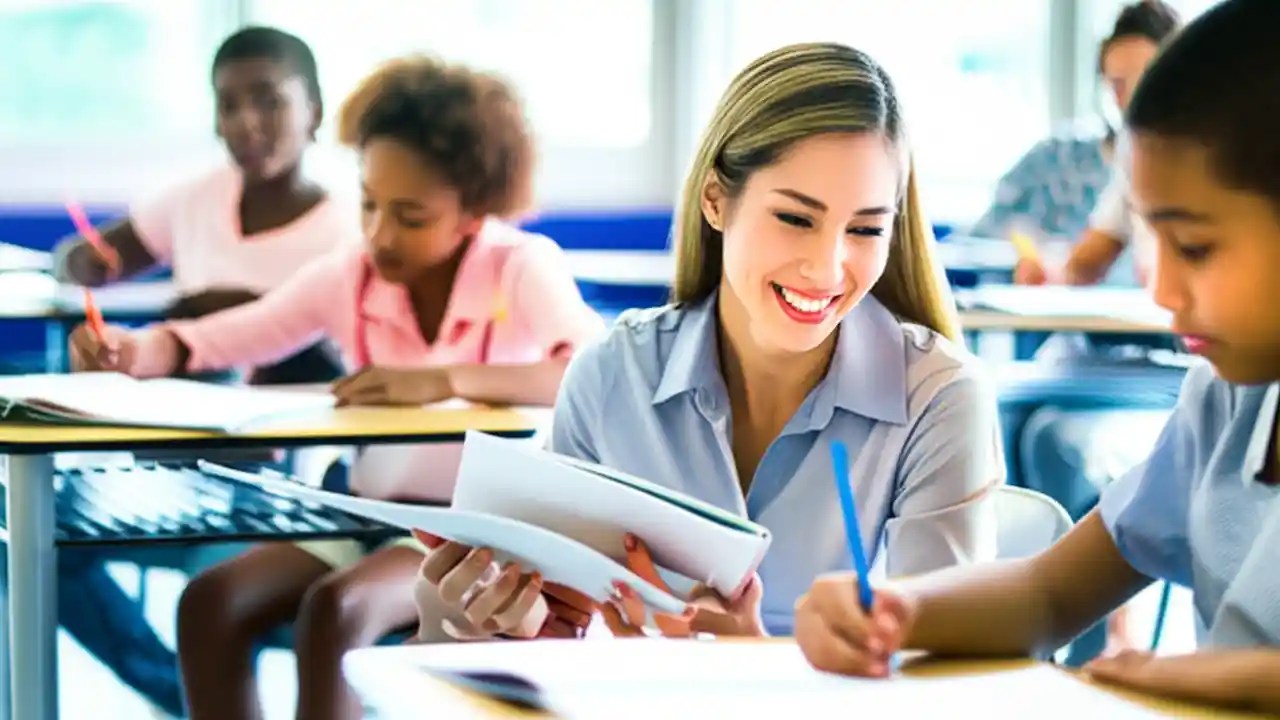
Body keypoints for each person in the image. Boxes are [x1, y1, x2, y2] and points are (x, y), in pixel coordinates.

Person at [411, 42, 1004, 643]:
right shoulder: (613, 374)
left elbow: (944, 675)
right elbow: (555, 638)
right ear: (716, 200)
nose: (827, 270)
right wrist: (483, 617)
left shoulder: (940, 398)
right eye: (796, 219)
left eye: (866, 229)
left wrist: (749, 657)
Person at [67, 55, 603, 720]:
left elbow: (587, 372)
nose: (379, 234)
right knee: (209, 601)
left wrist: (439, 380)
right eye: (370, 204)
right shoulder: (354, 273)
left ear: (472, 210)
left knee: (338, 609)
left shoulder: (520, 266)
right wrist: (133, 349)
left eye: (410, 215)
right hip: (365, 513)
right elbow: (234, 334)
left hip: (472, 533)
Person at [795, 2, 1280, 714]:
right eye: (1149, 241)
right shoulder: (1227, 400)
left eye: (1197, 247)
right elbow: (1049, 591)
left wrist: (1227, 680)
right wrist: (899, 609)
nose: (1162, 288)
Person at [52, 26, 352, 718]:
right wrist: (88, 267)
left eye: (269, 101)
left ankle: (194, 693)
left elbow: (347, 370)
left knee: (215, 589)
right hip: (162, 460)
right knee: (38, 551)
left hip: (278, 476)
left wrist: (225, 318)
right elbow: (91, 257)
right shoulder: (196, 198)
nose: (246, 123)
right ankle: (174, 691)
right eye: (228, 104)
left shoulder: (349, 233)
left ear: (316, 110)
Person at [1013, 0, 1181, 288]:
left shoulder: (1221, 149)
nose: (1131, 98)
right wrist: (1050, 273)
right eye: (1117, 85)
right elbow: (1088, 261)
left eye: (1145, 80)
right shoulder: (1134, 159)